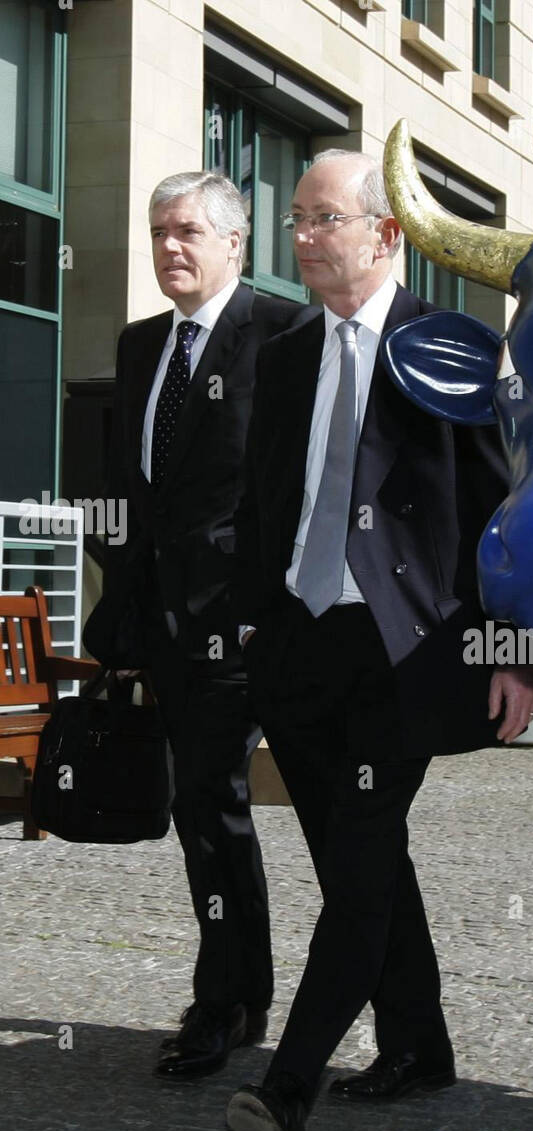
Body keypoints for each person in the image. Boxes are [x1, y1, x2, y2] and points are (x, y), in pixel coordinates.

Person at [225, 150, 533, 1131]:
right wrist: (243, 639)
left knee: (356, 873)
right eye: (300, 223)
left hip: (400, 656)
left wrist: (517, 650)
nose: (306, 239)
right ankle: (420, 1043)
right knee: (365, 858)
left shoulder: (448, 351)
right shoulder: (282, 356)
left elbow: (506, 514)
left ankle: (285, 1090)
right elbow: (263, 510)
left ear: (384, 234)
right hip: (300, 647)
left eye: (325, 219)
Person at [83, 172, 316, 1079]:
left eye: (186, 232)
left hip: (253, 623)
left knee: (266, 814)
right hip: (168, 630)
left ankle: (260, 1005)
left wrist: (263, 609)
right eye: (157, 233)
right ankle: (235, 996)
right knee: (202, 811)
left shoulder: (284, 333)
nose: (170, 248)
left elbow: (291, 488)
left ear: (234, 242)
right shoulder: (143, 345)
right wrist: (123, 603)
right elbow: (125, 482)